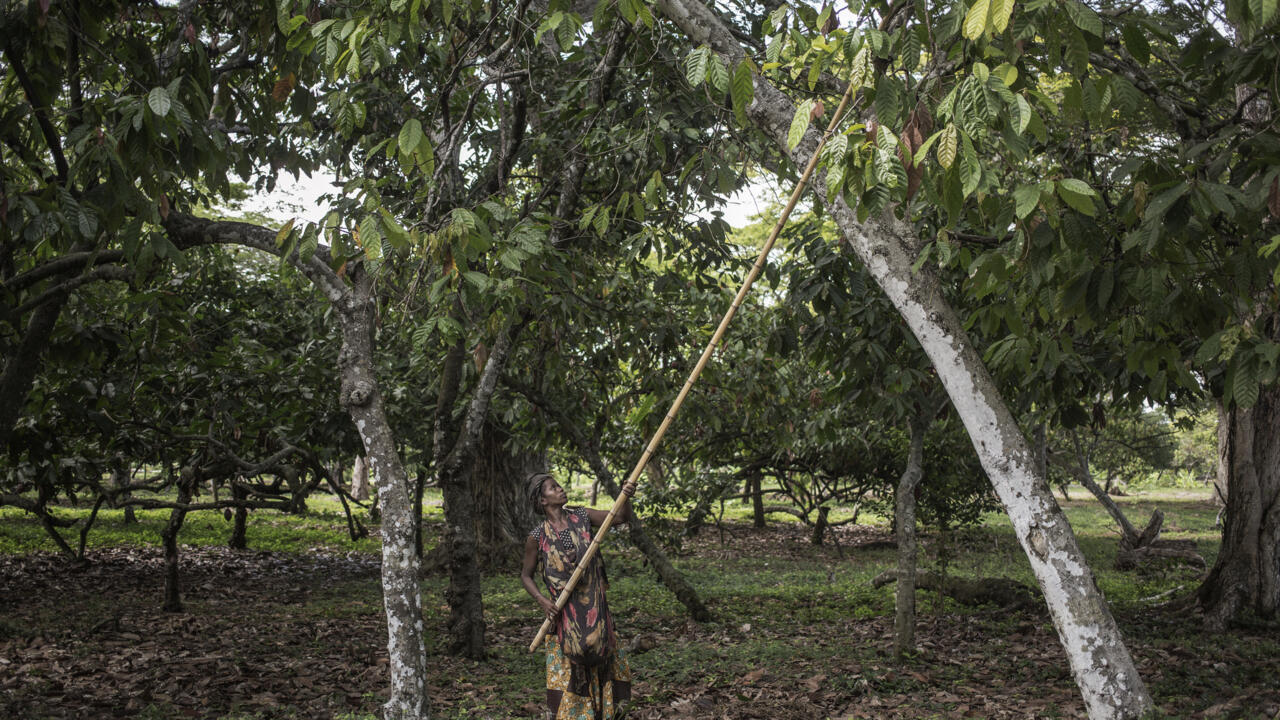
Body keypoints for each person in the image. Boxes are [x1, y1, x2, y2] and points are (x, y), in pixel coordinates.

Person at [521, 472, 636, 720]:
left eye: (559, 485)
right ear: (543, 501)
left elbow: (619, 517)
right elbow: (526, 576)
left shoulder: (581, 516)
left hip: (595, 610)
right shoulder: (537, 536)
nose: (560, 489)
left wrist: (625, 496)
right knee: (571, 675)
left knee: (602, 661)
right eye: (553, 488)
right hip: (564, 615)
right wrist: (543, 601)